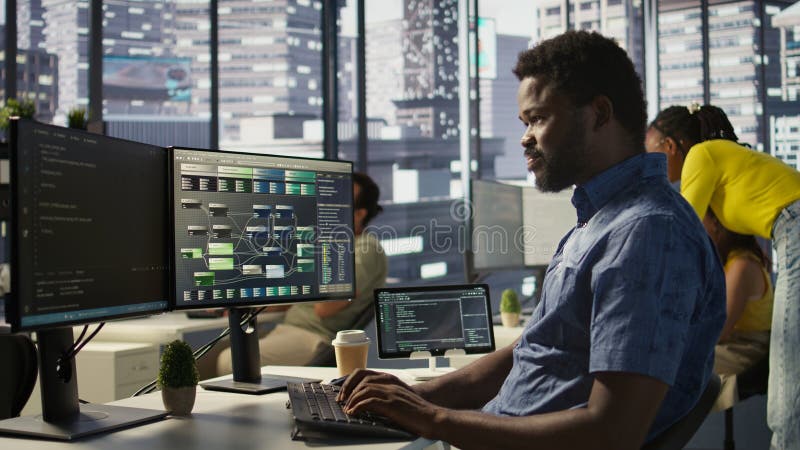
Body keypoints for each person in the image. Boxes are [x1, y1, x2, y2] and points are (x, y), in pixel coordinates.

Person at [337, 30, 725, 449]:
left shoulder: (646, 233)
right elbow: (534, 347)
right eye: (525, 123)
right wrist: (418, 396)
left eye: (538, 119)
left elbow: (612, 432)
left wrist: (433, 420)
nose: (525, 137)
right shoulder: (599, 222)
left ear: (599, 114)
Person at [647, 104, 800, 448]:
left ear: (669, 146)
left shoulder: (701, 155)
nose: (648, 163)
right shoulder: (719, 164)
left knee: (788, 370)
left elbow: (682, 233)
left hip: (795, 226)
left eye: (650, 151)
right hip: (790, 228)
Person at [215, 172, 387, 374]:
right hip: (289, 329)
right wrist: (245, 305)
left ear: (360, 214)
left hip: (315, 337)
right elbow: (294, 296)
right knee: (209, 360)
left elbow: (325, 308)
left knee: (230, 361)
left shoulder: (366, 248)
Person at [702, 210, 773, 411]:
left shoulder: (741, 266)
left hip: (748, 349)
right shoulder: (736, 262)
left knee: (678, 368)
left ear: (716, 224)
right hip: (739, 344)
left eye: (701, 219)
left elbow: (717, 331)